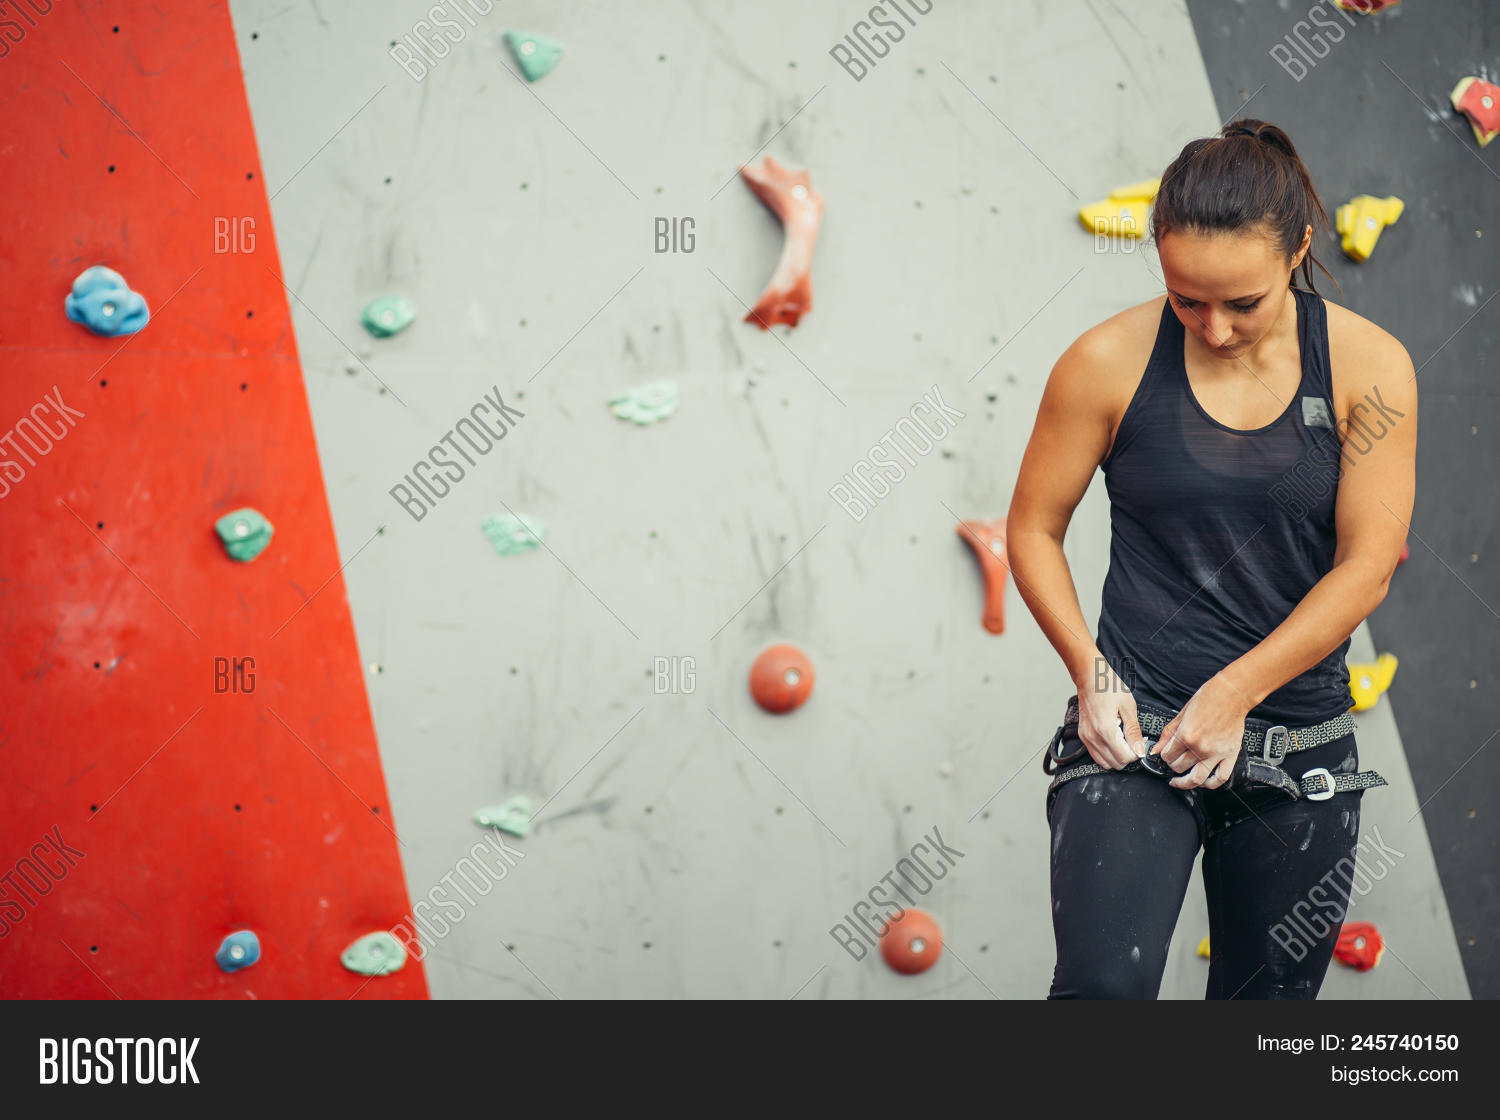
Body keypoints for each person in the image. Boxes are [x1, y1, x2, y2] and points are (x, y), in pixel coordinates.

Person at [1007, 118, 1417, 998]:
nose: (1216, 328)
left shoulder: (1369, 367)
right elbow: (1033, 529)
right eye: (1187, 299)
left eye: (1244, 302)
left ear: (1299, 249)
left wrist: (1235, 693)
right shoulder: (1103, 363)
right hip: (1134, 738)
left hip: (1297, 748)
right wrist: (1091, 671)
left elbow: (1367, 566)